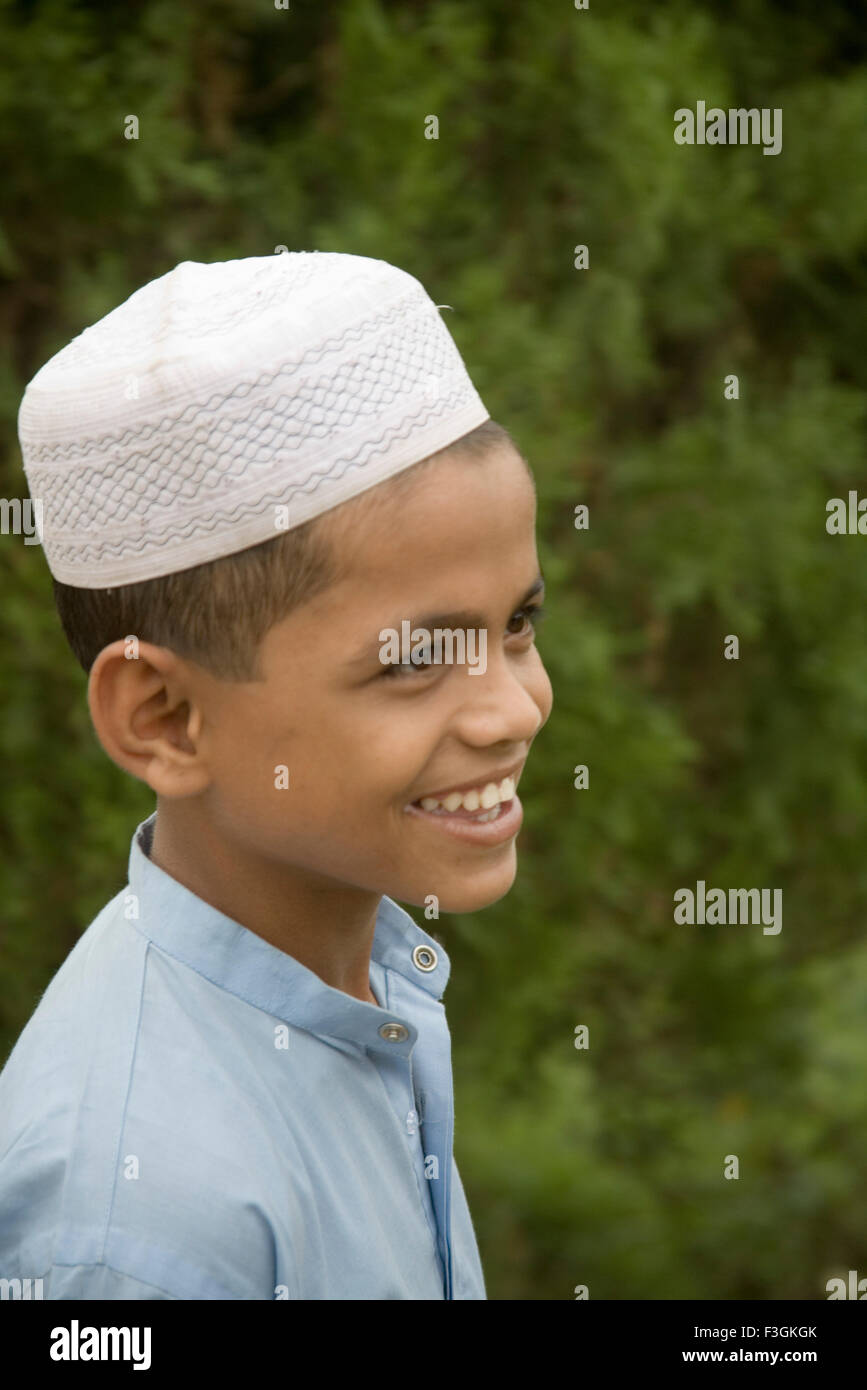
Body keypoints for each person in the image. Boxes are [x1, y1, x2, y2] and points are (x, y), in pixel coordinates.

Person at [0, 251, 553, 1299]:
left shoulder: (365, 976)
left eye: (518, 624)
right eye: (414, 662)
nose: (516, 709)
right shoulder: (138, 1233)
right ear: (165, 717)